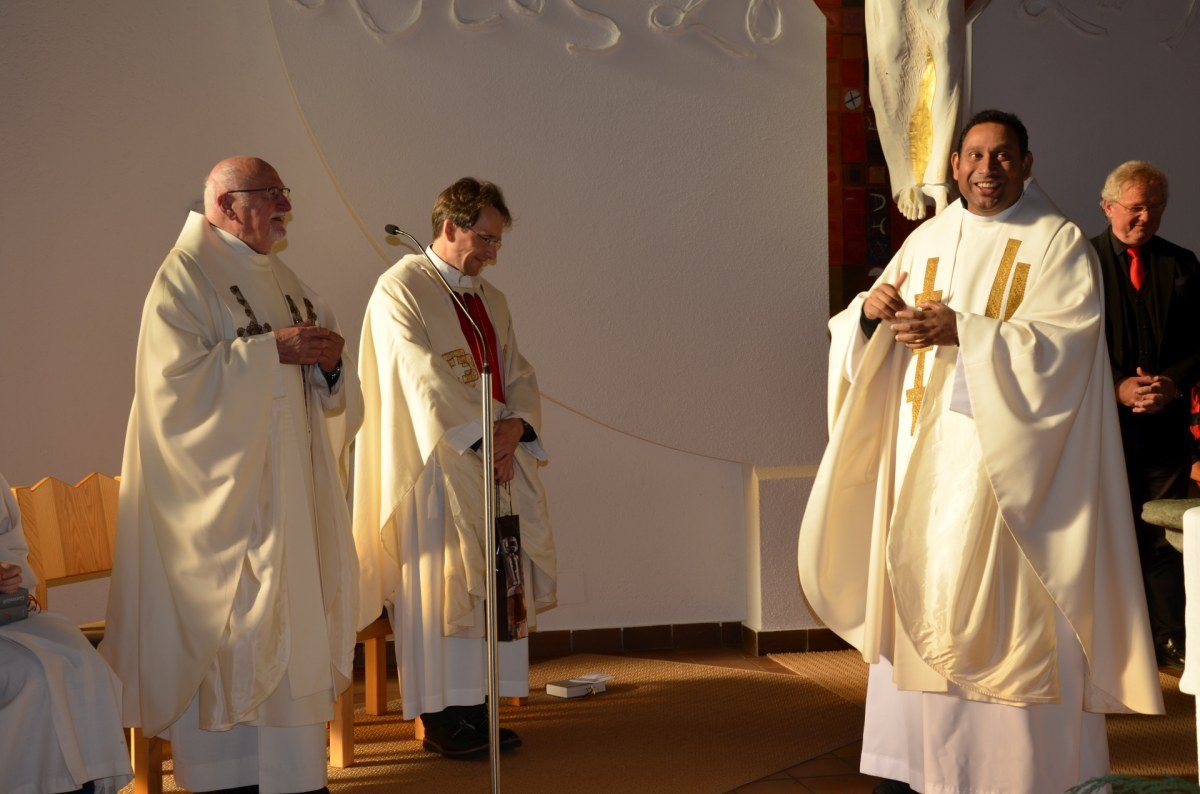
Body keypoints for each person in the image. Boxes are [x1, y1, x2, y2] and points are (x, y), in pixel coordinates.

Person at [798, 110, 1164, 793]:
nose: (986, 169)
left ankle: (1020, 775)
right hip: (918, 461)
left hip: (1007, 477)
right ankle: (919, 767)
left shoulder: (1055, 244)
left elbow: (1068, 350)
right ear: (956, 166)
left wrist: (965, 331)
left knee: (1006, 617)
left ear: (1027, 164)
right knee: (917, 591)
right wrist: (868, 313)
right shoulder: (928, 237)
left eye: (1002, 156)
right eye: (973, 156)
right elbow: (865, 329)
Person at [101, 157, 363, 793]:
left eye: (284, 194)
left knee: (293, 629)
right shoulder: (183, 278)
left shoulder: (280, 275)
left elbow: (322, 388)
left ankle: (299, 779)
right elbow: (170, 388)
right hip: (229, 506)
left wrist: (329, 367)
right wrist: (269, 350)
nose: (284, 206)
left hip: (293, 500)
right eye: (270, 195)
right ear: (224, 204)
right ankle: (225, 781)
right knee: (236, 634)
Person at [354, 177, 556, 758]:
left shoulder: (492, 300)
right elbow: (418, 376)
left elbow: (518, 370)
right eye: (486, 239)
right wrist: (483, 434)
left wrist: (517, 425)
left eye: (497, 243)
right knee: (444, 589)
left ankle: (480, 708)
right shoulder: (401, 290)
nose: (493, 253)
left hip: (496, 458)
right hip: (437, 467)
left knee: (496, 585)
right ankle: (441, 718)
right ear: (450, 227)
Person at [1093, 160, 1200, 671]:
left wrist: (1171, 383)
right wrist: (1118, 386)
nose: (1145, 217)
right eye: (1135, 207)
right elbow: (1064, 345)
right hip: (1099, 427)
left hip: (1164, 430)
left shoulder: (1182, 263)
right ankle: (1110, 644)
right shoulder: (1081, 262)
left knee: (1162, 539)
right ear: (1108, 206)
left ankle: (1168, 639)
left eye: (1155, 207)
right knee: (1104, 535)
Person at [1, 473, 133, 794]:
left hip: (8, 619)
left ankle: (84, 785)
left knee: (85, 664)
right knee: (33, 674)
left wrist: (7, 571)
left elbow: (10, 544)